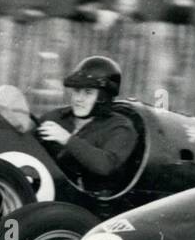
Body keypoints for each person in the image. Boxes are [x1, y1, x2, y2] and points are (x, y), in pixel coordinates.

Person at [35, 56, 140, 192]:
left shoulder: (120, 127)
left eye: (88, 93)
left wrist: (67, 139)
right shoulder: (54, 117)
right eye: (77, 91)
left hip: (93, 205)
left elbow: (105, 165)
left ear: (103, 97)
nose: (79, 99)